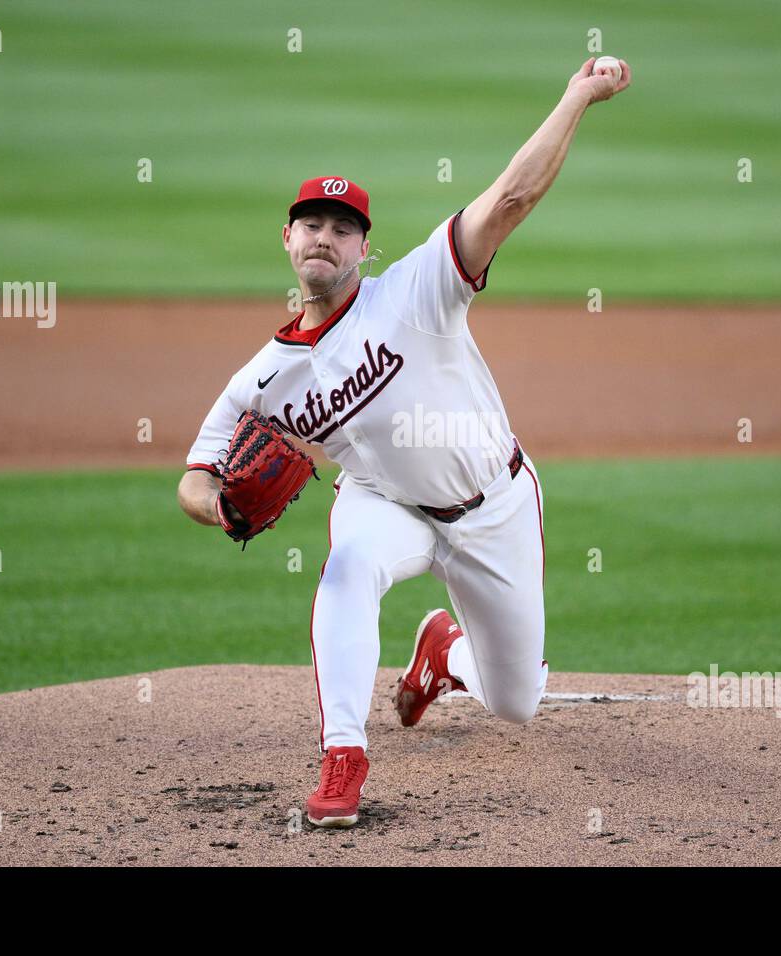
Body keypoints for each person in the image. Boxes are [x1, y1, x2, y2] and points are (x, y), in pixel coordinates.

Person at [178, 56, 632, 826]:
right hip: (384, 504)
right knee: (347, 568)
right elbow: (194, 476)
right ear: (288, 238)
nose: (326, 237)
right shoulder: (262, 380)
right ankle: (344, 756)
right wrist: (220, 509)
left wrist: (577, 94)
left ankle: (442, 655)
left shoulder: (419, 288)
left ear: (366, 248)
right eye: (312, 224)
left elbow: (512, 198)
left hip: (494, 507)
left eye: (343, 228)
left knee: (517, 703)